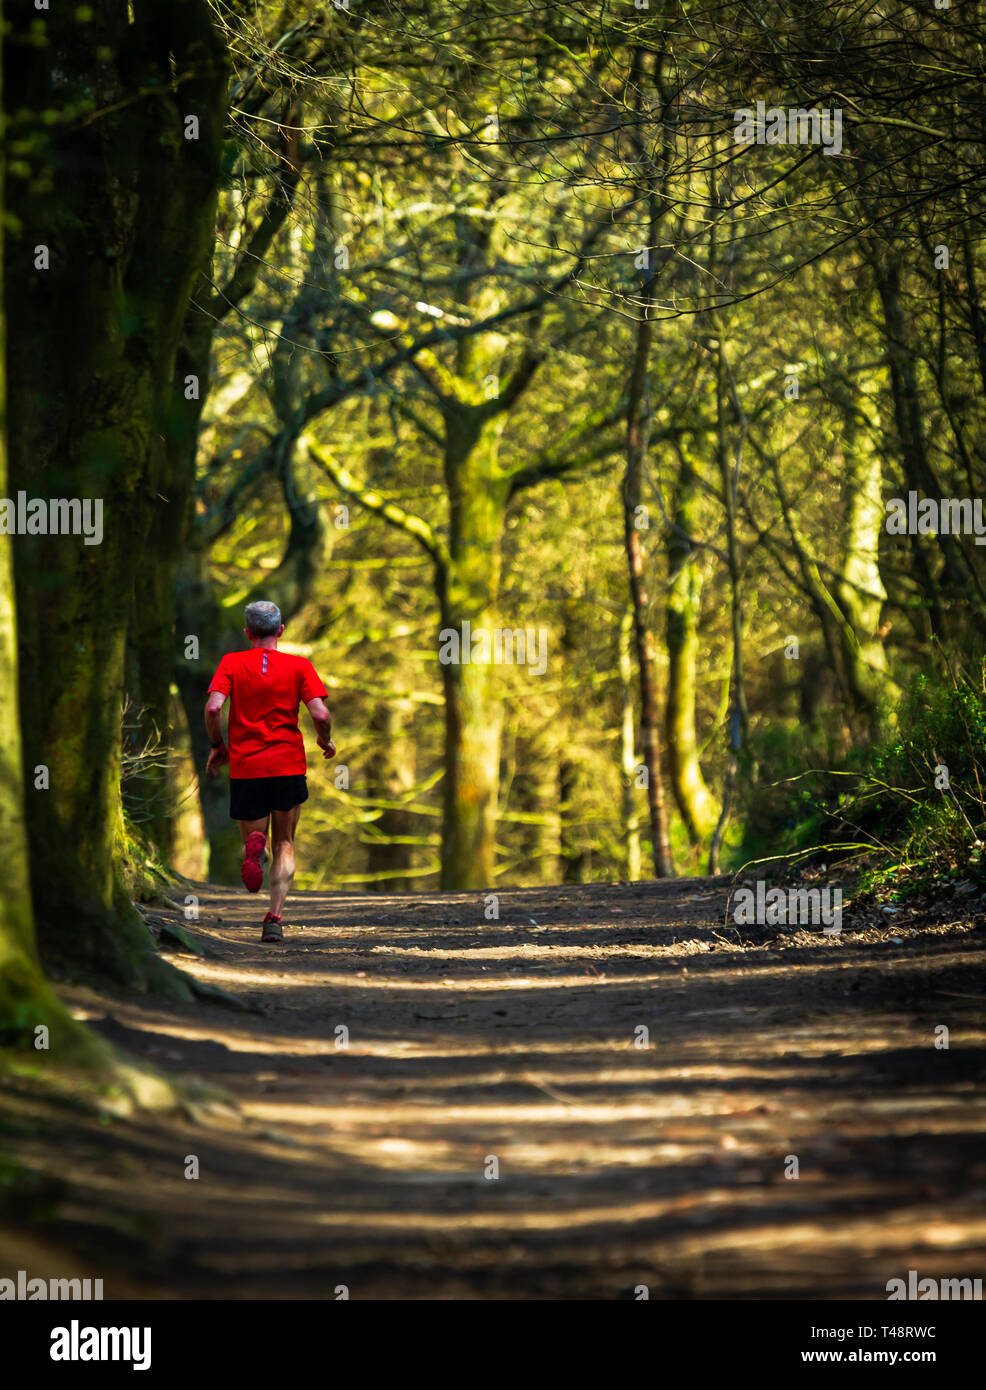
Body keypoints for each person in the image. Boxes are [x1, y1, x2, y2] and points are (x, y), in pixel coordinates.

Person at [204, 600, 335, 942]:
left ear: (247, 632)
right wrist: (326, 741)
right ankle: (274, 918)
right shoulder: (300, 666)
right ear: (281, 631)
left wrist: (218, 745)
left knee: (254, 836)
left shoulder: (231, 663)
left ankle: (253, 847)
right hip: (286, 765)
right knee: (286, 843)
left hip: (247, 767)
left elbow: (214, 706)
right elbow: (320, 714)